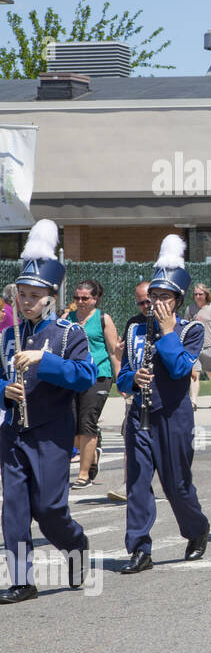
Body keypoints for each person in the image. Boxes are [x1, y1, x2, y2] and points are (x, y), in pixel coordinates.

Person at [1, 220, 97, 604]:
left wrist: (46, 359)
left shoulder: (68, 333)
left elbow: (85, 376)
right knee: (15, 510)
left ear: (50, 297)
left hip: (52, 434)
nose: (25, 301)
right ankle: (22, 580)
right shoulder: (7, 336)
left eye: (33, 295)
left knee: (50, 510)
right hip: (13, 434)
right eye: (21, 294)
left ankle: (76, 545)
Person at [116, 236, 211, 573]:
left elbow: (181, 369)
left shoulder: (191, 330)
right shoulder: (133, 330)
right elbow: (123, 375)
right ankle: (139, 548)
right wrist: (133, 380)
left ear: (177, 300)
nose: (155, 303)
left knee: (177, 485)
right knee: (138, 483)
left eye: (163, 297)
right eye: (152, 297)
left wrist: (168, 330)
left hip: (174, 417)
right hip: (139, 417)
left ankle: (196, 528)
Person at [68, 280, 121, 490]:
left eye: (85, 298)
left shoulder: (102, 318)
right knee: (71, 426)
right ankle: (94, 453)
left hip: (99, 375)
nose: (80, 302)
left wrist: (121, 379)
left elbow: (113, 350)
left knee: (87, 422)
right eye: (77, 298)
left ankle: (83, 474)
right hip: (72, 377)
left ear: (95, 299)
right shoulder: (67, 318)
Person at [107, 280, 152, 505]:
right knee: (131, 439)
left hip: (164, 401)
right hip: (136, 392)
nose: (145, 305)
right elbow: (124, 358)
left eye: (148, 300)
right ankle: (130, 484)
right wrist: (125, 381)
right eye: (140, 302)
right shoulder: (133, 324)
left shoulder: (173, 324)